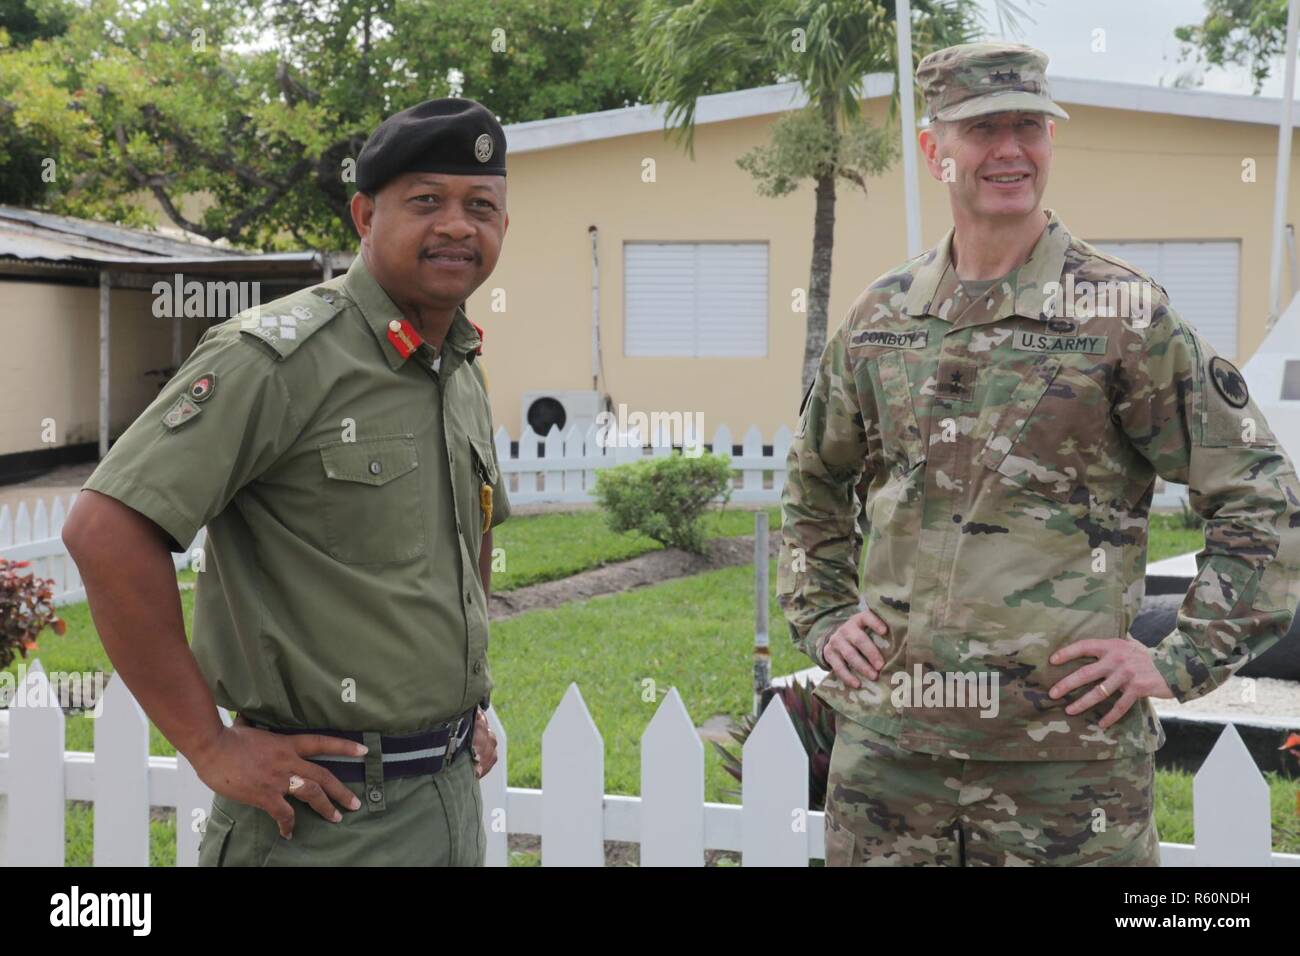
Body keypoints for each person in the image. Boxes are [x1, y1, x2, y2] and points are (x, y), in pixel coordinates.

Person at [777, 41, 1300, 866]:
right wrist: (823, 612)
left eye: (1031, 125)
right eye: (983, 128)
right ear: (934, 150)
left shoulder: (1121, 317)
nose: (1011, 149)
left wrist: (1181, 656)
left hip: (1065, 775)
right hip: (889, 762)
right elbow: (813, 485)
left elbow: (1261, 495)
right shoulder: (881, 320)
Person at [62, 97, 513, 866]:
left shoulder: (457, 366)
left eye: (481, 206)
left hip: (447, 800)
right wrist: (210, 745)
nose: (458, 227)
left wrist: (463, 701)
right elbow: (104, 532)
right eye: (426, 202)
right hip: (323, 823)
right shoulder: (275, 358)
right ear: (365, 215)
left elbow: (465, 540)